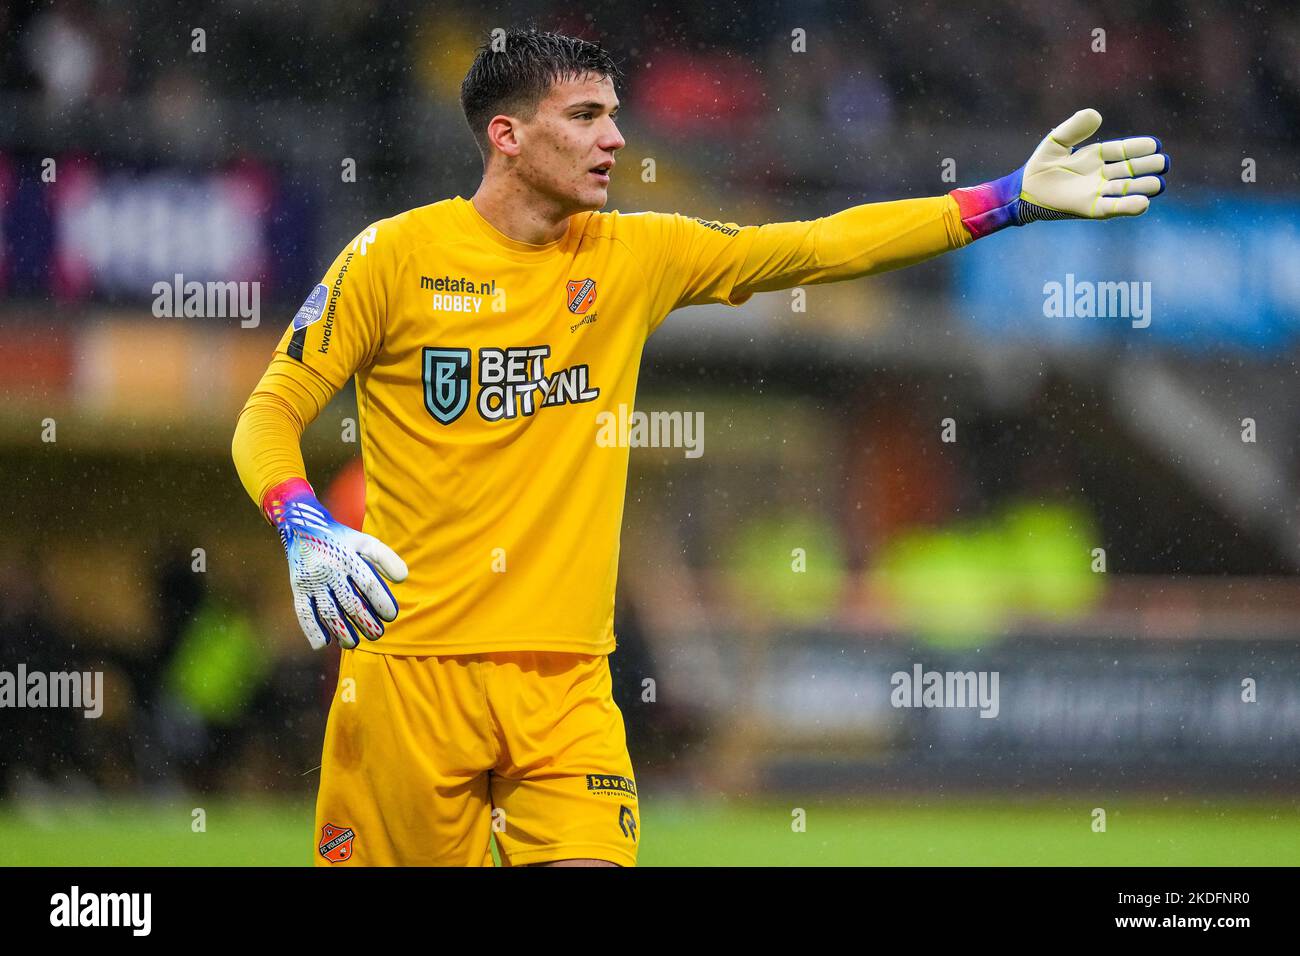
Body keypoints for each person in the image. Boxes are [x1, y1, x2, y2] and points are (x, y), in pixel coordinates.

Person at [231, 28, 1169, 866]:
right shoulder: (392, 257)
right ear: (507, 136)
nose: (617, 138)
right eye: (588, 115)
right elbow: (267, 415)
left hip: (567, 686)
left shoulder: (633, 254)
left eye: (616, 114)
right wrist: (302, 523)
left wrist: (1002, 201)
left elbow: (811, 248)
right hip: (410, 678)